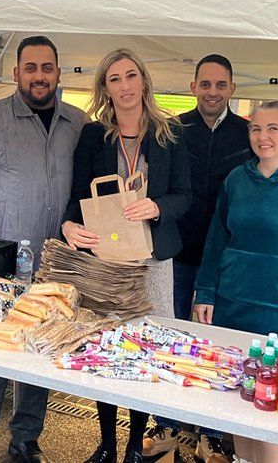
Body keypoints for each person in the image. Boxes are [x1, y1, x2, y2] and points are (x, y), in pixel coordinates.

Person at [0, 35, 86, 463]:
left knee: (39, 352)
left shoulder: (79, 124)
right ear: (16, 74)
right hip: (2, 262)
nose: (39, 76)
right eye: (30, 68)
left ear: (59, 74)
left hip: (58, 265)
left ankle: (25, 440)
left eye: (47, 68)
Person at [61, 48, 191, 463]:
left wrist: (157, 207)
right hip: (108, 258)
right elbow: (77, 195)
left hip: (153, 259)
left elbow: (186, 197)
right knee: (107, 348)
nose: (124, 85)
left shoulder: (170, 134)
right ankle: (107, 443)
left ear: (144, 82)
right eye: (114, 79)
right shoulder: (93, 136)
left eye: (130, 75)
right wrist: (67, 226)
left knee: (144, 348)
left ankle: (136, 443)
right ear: (105, 88)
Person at [193, 101, 278, 463]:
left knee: (269, 412)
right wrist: (205, 291)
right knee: (238, 401)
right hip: (232, 304)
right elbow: (217, 240)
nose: (262, 137)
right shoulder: (237, 179)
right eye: (255, 129)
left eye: (273, 128)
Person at [144, 54, 250, 462]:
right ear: (193, 88)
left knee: (214, 346)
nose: (212, 92)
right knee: (172, 339)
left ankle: (208, 434)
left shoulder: (246, 133)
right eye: (205, 84)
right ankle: (168, 427)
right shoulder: (172, 131)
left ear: (231, 90)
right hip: (178, 254)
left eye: (220, 85)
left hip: (224, 261)